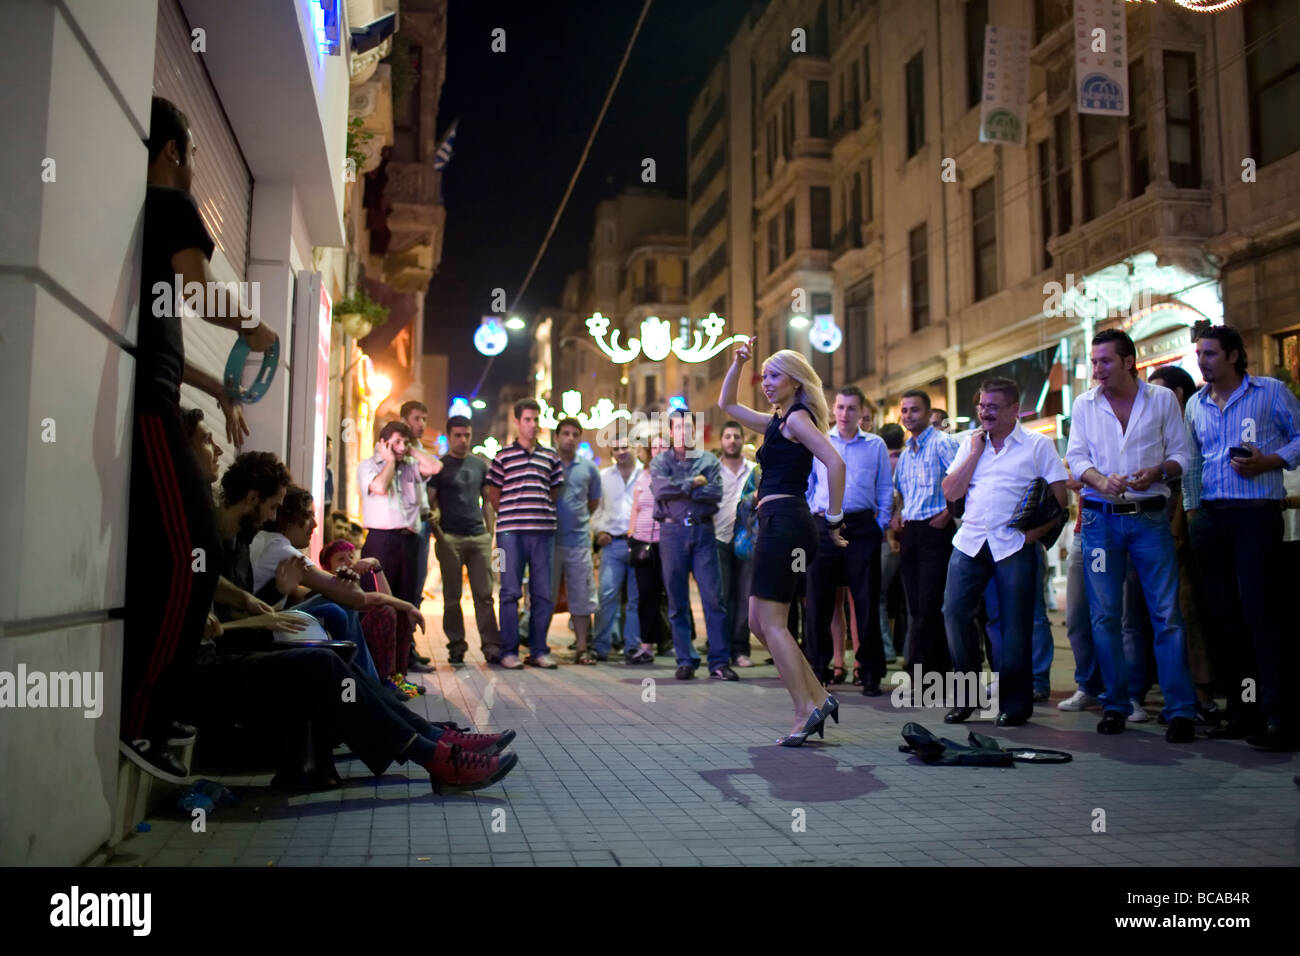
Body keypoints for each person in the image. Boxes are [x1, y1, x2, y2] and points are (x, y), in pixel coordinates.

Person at [119, 97, 280, 782]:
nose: (193, 172)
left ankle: (163, 707)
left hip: (159, 399)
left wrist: (217, 387)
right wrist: (251, 328)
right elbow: (199, 288)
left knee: (187, 556)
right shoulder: (170, 207)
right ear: (174, 153)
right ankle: (143, 722)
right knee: (197, 550)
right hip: (152, 415)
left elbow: (158, 334)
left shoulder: (143, 220)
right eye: (190, 157)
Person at [1065, 329, 1198, 741]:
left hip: (1149, 519)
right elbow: (1075, 457)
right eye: (1095, 361)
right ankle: (1116, 704)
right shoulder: (1085, 404)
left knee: (1165, 615)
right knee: (1104, 615)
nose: (1098, 369)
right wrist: (1099, 481)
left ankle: (1180, 710)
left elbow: (1183, 455)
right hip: (1101, 521)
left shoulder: (1161, 401)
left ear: (1129, 362)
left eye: (1106, 361)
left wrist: (1157, 472)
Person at [719, 342, 847, 745]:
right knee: (760, 622)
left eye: (774, 376)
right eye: (765, 376)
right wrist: (739, 362)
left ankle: (804, 709)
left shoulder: (797, 420)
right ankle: (820, 696)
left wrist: (835, 518)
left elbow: (835, 462)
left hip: (788, 526)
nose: (766, 383)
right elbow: (728, 404)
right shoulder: (777, 421)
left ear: (795, 380)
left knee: (772, 623)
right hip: (778, 524)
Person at [1184, 324, 1300, 751]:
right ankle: (1244, 711)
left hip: (1255, 517)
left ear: (1234, 355)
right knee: (1226, 622)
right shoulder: (1196, 404)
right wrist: (1195, 512)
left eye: (1211, 353)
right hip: (1212, 520)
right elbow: (1194, 462)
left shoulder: (1268, 392)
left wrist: (1271, 460)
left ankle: (1281, 718)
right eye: (1199, 353)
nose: (1203, 361)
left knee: (1262, 618)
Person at [940, 377, 1067, 726]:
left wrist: (1033, 537)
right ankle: (966, 697)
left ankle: (1015, 704)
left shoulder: (1037, 445)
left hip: (1013, 546)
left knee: (1015, 625)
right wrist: (976, 453)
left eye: (993, 406)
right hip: (970, 541)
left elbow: (1061, 500)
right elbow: (951, 492)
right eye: (981, 405)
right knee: (953, 612)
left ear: (1014, 409)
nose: (985, 412)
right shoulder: (970, 443)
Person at [805, 386, 892, 694]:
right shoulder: (820, 440)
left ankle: (869, 673)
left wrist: (880, 524)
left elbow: (884, 488)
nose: (844, 414)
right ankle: (817, 669)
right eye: (840, 407)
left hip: (861, 526)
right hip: (823, 525)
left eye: (851, 408)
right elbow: (810, 484)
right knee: (818, 603)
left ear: (861, 412)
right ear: (833, 409)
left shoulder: (876, 445)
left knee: (866, 601)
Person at [1147, 363, 1220, 723]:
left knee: (1189, 612)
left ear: (1175, 395)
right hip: (1170, 522)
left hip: (1195, 521)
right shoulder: (1166, 424)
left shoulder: (1191, 418)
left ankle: (1204, 697)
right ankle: (1188, 695)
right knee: (1172, 612)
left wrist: (1179, 527)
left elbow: (1190, 479)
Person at [651, 409, 736, 681]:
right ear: (670, 431)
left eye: (688, 428)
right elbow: (661, 491)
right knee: (677, 601)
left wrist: (681, 488)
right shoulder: (660, 462)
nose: (683, 433)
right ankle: (685, 660)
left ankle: (720, 662)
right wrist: (694, 483)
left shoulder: (709, 460)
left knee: (714, 599)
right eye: (678, 428)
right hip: (672, 534)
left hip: (702, 533)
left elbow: (715, 493)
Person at [485, 398, 564, 669]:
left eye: (536, 419)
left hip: (543, 532)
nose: (532, 424)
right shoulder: (502, 456)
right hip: (510, 534)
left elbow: (554, 492)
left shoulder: (551, 456)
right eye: (527, 419)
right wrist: (512, 515)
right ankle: (509, 651)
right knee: (509, 592)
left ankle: (539, 650)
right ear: (517, 421)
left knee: (542, 593)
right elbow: (494, 495)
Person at [893, 389, 958, 680]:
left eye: (914, 410)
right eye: (905, 410)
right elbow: (900, 493)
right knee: (916, 605)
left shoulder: (942, 444)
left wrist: (947, 514)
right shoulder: (907, 453)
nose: (908, 415)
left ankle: (934, 672)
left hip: (936, 530)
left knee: (932, 603)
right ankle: (923, 670)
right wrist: (898, 515)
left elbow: (963, 480)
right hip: (912, 532)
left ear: (928, 412)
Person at [429, 415, 500, 664]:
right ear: (449, 436)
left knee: (484, 595)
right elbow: (431, 502)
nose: (463, 440)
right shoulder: (439, 466)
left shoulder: (480, 465)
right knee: (452, 596)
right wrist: (439, 535)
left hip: (477, 536)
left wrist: (489, 533)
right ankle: (456, 646)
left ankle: (491, 646)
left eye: (467, 435)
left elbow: (488, 502)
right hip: (450, 537)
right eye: (458, 435)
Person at [357, 420, 437, 620]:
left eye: (406, 442)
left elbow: (435, 467)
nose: (402, 446)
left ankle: (405, 649)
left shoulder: (409, 466)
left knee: (408, 598)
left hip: (409, 539)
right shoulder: (368, 466)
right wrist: (390, 461)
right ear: (383, 443)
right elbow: (381, 487)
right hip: (381, 541)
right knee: (380, 599)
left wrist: (411, 451)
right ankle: (377, 649)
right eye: (397, 442)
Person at [552, 418, 603, 663]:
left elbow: (593, 503)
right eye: (565, 433)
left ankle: (582, 648)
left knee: (582, 596)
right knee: (545, 596)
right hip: (549, 542)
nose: (570, 438)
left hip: (579, 541)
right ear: (556, 437)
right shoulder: (547, 465)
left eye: (575, 434)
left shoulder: (589, 468)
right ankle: (539, 647)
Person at [591, 433, 644, 663]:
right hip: (612, 544)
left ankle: (633, 647)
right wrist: (599, 531)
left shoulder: (646, 475)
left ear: (634, 448)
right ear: (611, 453)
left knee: (636, 599)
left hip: (640, 544)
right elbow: (594, 509)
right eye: (616, 449)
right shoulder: (603, 477)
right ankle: (600, 646)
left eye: (625, 447)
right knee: (606, 595)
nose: (621, 452)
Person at [401, 401, 444, 671]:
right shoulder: (397, 453)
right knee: (405, 592)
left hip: (422, 525)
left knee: (416, 591)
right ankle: (403, 652)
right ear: (404, 420)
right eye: (416, 418)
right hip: (404, 528)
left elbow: (435, 467)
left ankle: (409, 648)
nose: (421, 424)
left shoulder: (419, 453)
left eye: (424, 418)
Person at [714, 421, 757, 669]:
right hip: (719, 539)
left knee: (744, 598)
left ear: (742, 440)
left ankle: (740, 650)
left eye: (736, 436)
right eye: (728, 436)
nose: (732, 440)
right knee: (721, 596)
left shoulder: (754, 471)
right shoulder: (712, 470)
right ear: (721, 441)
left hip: (747, 540)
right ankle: (721, 649)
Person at [627, 434, 668, 661]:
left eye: (663, 447)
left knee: (670, 594)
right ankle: (646, 645)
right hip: (642, 542)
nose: (658, 450)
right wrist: (631, 533)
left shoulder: (673, 473)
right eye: (655, 447)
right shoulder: (642, 476)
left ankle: (671, 642)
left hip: (667, 542)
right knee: (646, 596)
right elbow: (636, 507)